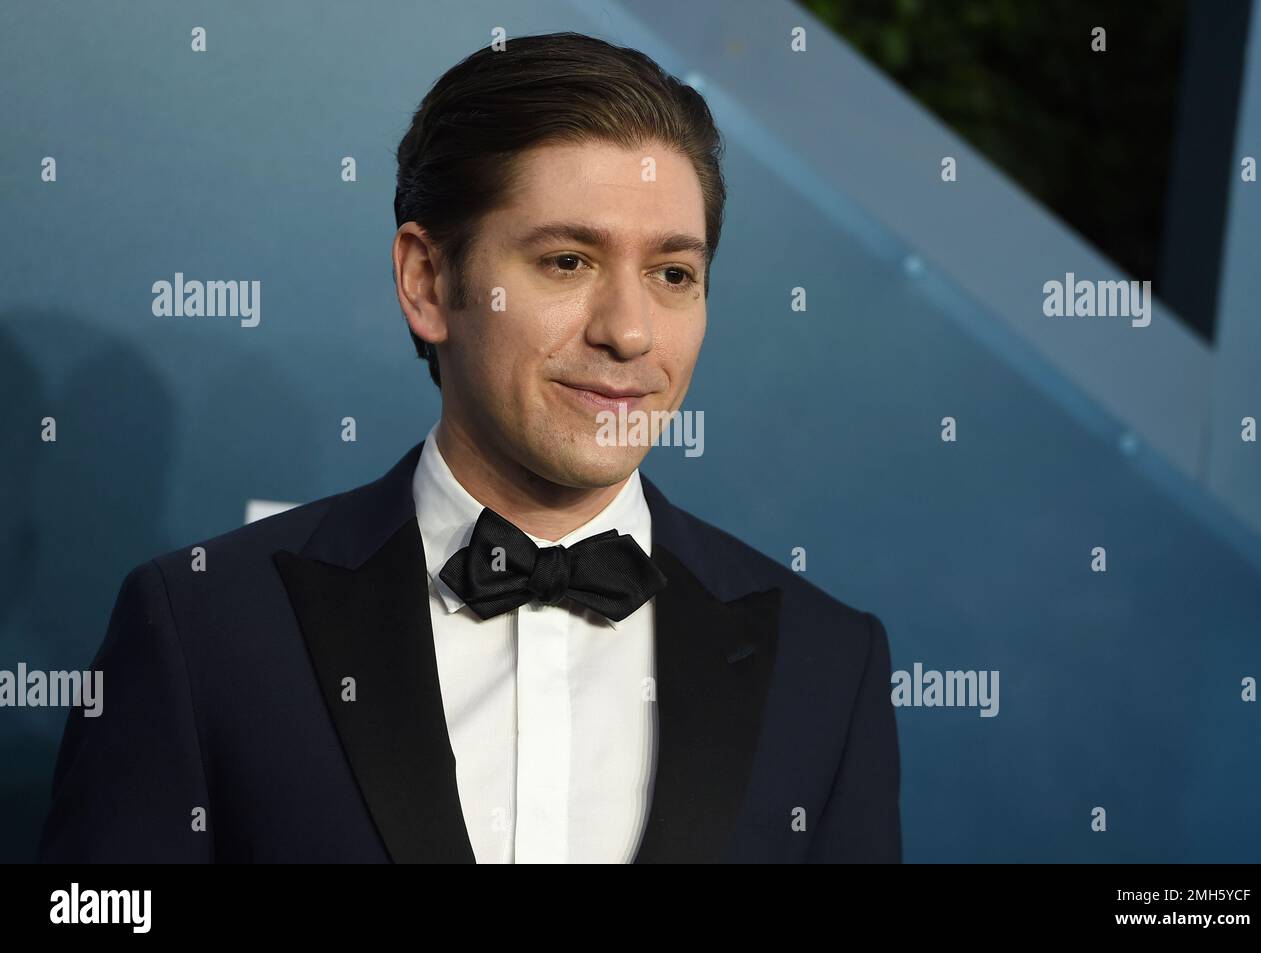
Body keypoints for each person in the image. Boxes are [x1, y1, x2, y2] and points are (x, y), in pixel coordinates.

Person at [38, 31, 900, 863]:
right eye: (567, 261)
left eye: (672, 274)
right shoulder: (204, 629)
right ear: (428, 281)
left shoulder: (827, 664)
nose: (631, 332)